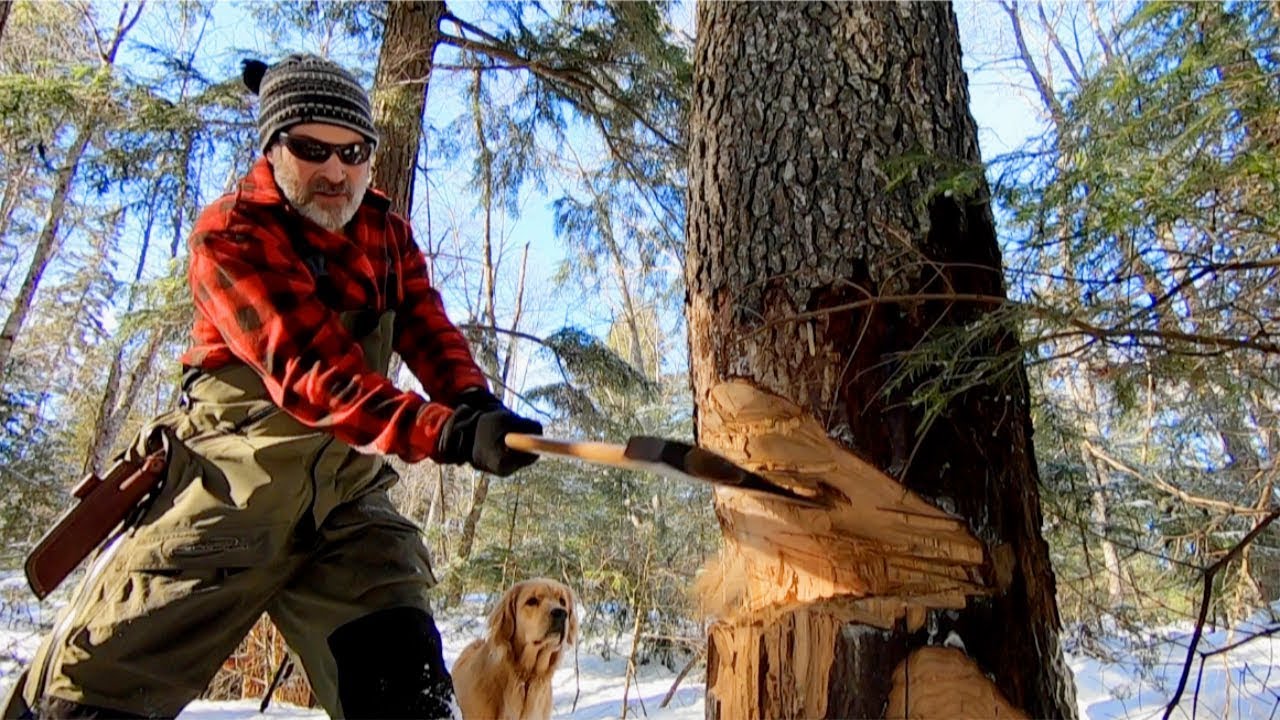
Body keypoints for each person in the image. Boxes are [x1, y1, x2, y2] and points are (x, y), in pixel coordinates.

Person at [3, 53, 542, 720]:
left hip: (345, 506)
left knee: (407, 689)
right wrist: (444, 433)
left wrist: (473, 403)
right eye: (312, 149)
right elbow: (312, 372)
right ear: (272, 146)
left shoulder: (384, 232)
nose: (336, 171)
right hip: (226, 498)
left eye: (354, 152)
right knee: (85, 697)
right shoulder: (232, 233)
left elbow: (429, 329)